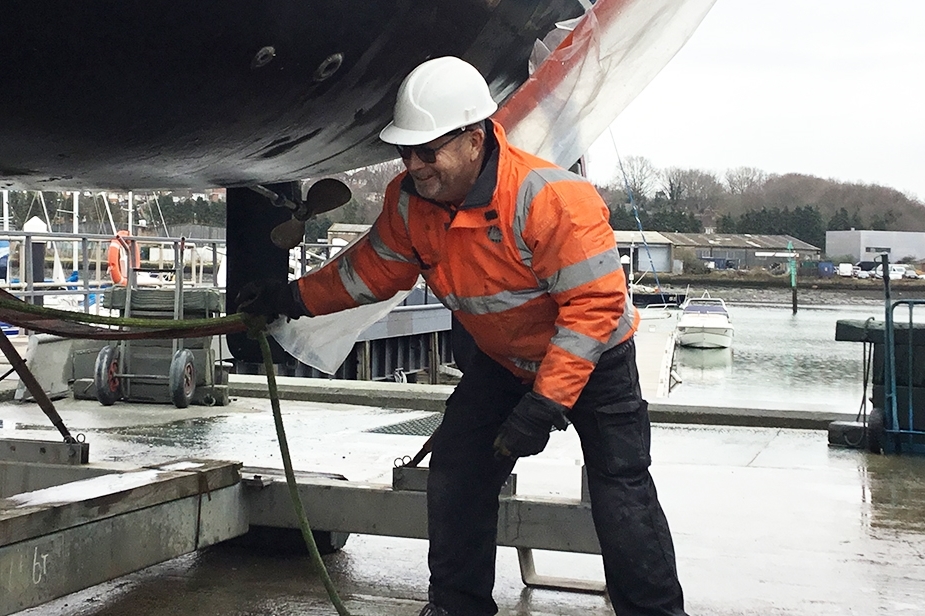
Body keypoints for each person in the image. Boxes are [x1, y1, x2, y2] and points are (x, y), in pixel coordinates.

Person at [238, 56, 687, 616]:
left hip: (595, 361)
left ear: (475, 140)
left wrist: (545, 403)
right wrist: (290, 299)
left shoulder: (551, 201)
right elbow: (371, 270)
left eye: (428, 152)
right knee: (456, 470)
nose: (414, 166)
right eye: (406, 152)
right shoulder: (410, 203)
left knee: (622, 491)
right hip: (503, 363)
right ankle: (457, 607)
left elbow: (594, 307)